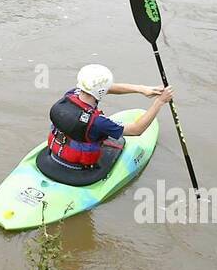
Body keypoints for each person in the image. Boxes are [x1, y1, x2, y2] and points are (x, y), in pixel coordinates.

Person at [36, 64, 173, 184]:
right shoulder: (99, 123)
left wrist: (141, 89)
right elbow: (136, 130)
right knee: (117, 138)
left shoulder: (70, 95)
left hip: (53, 158)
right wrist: (160, 102)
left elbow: (105, 89)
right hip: (79, 171)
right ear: (100, 91)